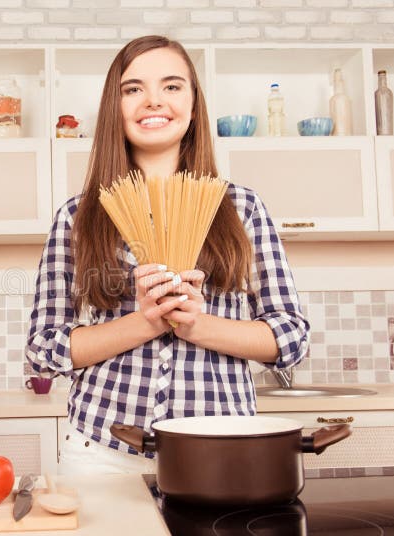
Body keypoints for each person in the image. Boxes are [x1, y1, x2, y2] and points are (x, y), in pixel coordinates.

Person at [25, 35, 309, 474]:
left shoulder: (241, 209)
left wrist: (196, 325)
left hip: (222, 449)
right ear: (113, 109)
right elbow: (44, 349)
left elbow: (290, 337)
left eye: (172, 87)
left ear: (194, 107)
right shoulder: (78, 218)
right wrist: (144, 322)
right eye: (133, 88)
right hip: (103, 450)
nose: (153, 101)